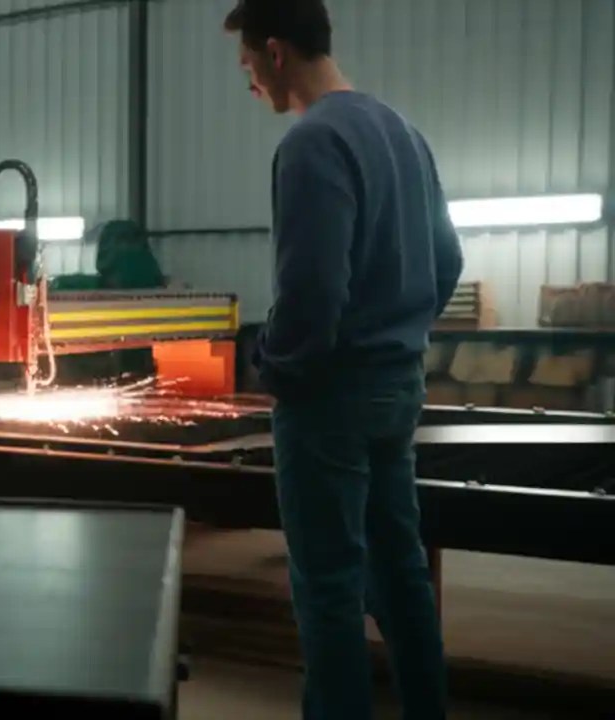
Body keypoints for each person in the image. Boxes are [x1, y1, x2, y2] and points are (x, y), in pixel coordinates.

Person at [223, 1, 462, 718]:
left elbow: (312, 292)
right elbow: (447, 260)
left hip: (329, 401)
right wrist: (400, 330)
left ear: (275, 52)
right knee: (401, 574)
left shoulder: (312, 142)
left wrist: (274, 367)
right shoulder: (403, 133)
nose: (250, 84)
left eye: (247, 66)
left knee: (328, 589)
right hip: (398, 387)